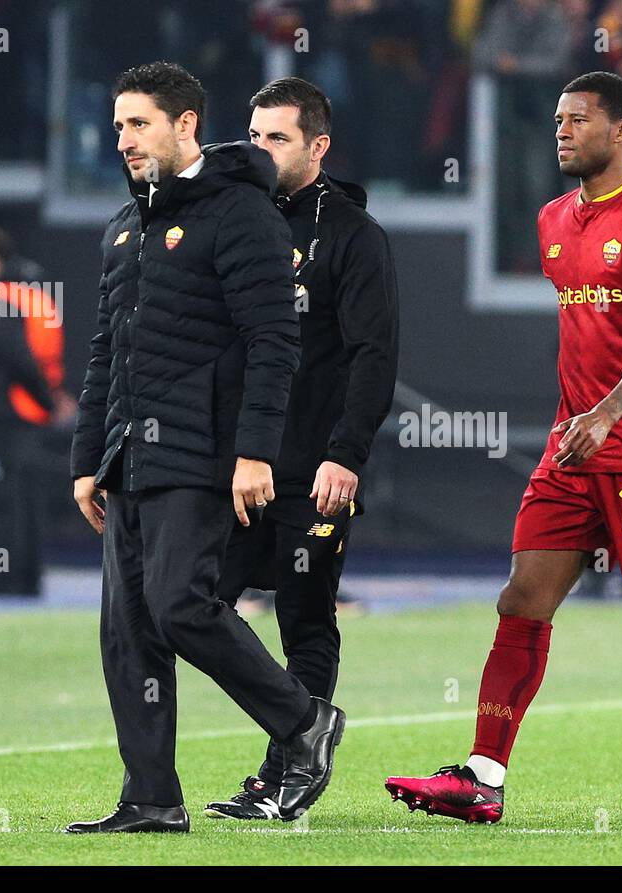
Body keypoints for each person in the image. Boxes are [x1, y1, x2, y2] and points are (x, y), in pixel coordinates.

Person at [384, 71, 622, 825]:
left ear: (620, 132)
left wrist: (609, 415)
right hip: (573, 447)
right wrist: (582, 422)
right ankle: (482, 777)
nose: (560, 131)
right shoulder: (553, 219)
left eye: (577, 120)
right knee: (522, 598)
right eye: (557, 119)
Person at [65, 62, 343, 834]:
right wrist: (89, 459)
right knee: (127, 633)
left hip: (203, 454)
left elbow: (273, 340)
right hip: (128, 457)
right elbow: (102, 352)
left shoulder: (240, 214)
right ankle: (151, 798)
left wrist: (254, 453)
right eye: (118, 124)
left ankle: (303, 720)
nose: (123, 139)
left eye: (139, 123)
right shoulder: (126, 225)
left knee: (181, 604)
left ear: (184, 125)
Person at [204, 77, 398, 821]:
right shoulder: (229, 219)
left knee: (305, 615)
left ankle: (283, 772)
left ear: (318, 147)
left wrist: (345, 454)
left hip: (312, 463)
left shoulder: (352, 235)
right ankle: (303, 732)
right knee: (192, 604)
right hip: (231, 463)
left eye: (277, 138)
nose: (260, 150)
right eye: (252, 136)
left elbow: (373, 355)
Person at [0, 225, 74, 597]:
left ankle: (3, 580)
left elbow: (16, 357)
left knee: (1, 502)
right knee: (25, 499)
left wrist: (47, 401)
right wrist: (50, 400)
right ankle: (27, 577)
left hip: (1, 419)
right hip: (27, 419)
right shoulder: (32, 295)